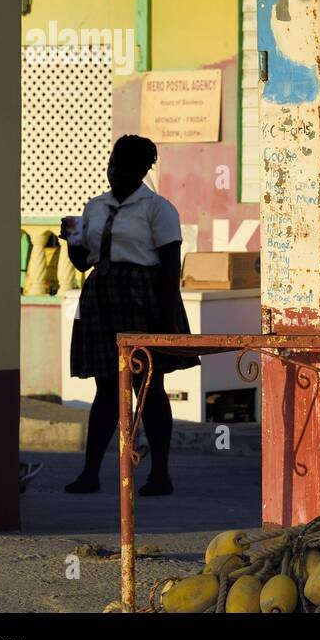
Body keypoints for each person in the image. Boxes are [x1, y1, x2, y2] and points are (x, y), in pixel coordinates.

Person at [60, 135, 197, 495]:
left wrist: (167, 322)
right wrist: (72, 241)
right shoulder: (95, 206)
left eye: (125, 167)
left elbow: (169, 266)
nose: (115, 172)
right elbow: (83, 262)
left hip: (144, 298)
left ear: (142, 170)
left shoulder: (158, 208)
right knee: (106, 388)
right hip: (102, 299)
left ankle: (159, 474)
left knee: (149, 387)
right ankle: (90, 473)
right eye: (113, 164)